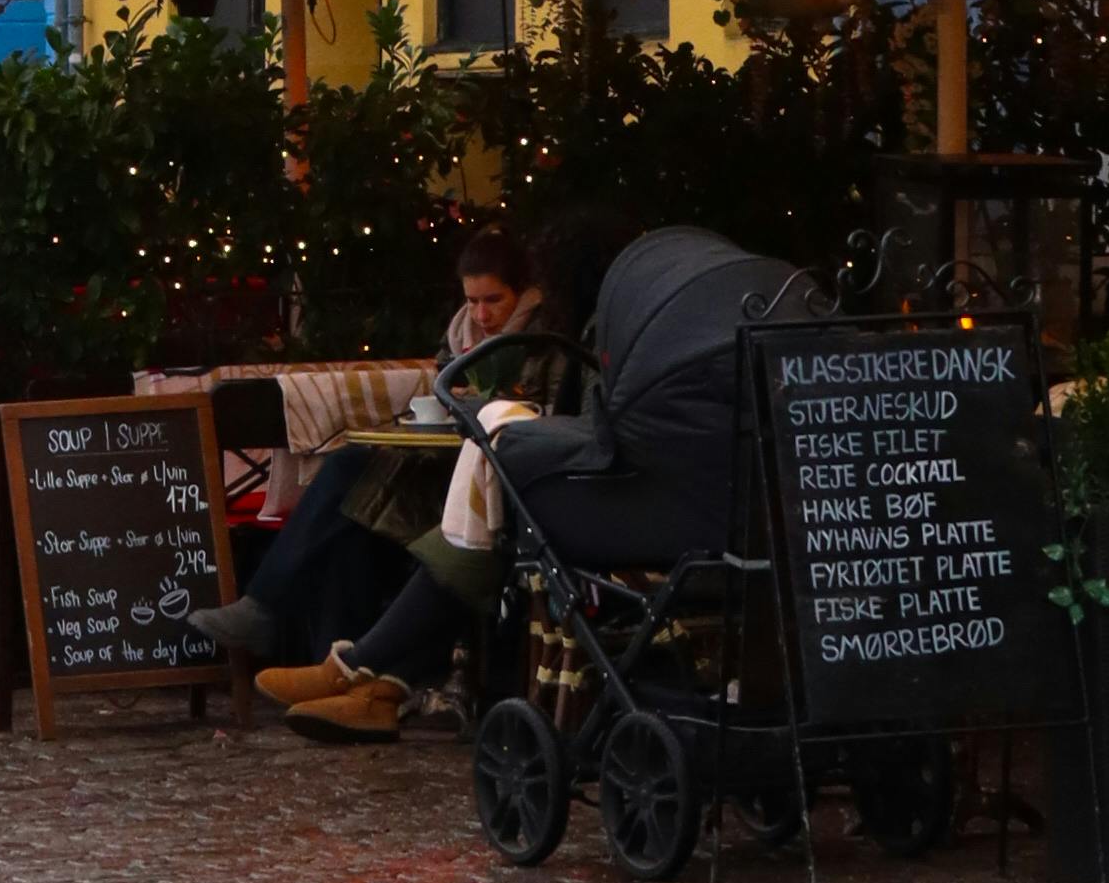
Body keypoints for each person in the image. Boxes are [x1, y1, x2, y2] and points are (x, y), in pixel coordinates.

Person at [269, 213, 827, 742]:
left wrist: (516, 431)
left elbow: (598, 432)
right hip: (710, 502)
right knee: (470, 528)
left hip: (638, 508)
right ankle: (377, 683)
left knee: (484, 535)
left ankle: (364, 669)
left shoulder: (592, 341)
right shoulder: (656, 355)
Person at [219, 229, 567, 687]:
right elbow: (447, 394)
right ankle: (331, 676)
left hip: (489, 485)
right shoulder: (461, 331)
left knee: (348, 478)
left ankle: (272, 614)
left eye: (493, 300)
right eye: (472, 300)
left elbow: (547, 417)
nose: (481, 314)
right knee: (349, 516)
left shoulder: (544, 339)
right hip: (445, 465)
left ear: (524, 293)